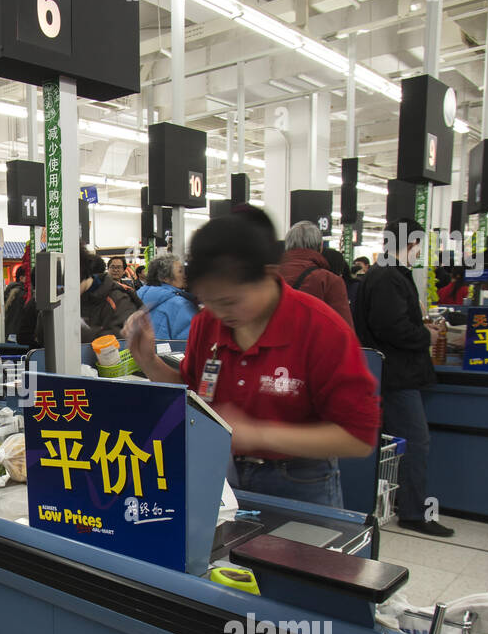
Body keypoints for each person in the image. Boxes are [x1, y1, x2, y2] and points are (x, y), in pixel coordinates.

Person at [124, 216, 379, 508]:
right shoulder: (208, 324)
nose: (219, 312)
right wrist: (148, 359)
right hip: (221, 475)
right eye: (209, 300)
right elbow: (193, 395)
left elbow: (357, 436)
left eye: (230, 301)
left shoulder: (320, 328)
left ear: (268, 274)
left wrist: (259, 434)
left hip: (298, 482)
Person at [353, 218, 453, 536]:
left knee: (384, 444)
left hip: (390, 374)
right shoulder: (387, 277)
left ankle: (383, 505)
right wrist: (424, 334)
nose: (419, 252)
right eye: (419, 246)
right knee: (416, 441)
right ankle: (412, 512)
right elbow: (390, 326)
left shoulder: (386, 274)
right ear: (410, 244)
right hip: (396, 376)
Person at [277, 221, 353, 326]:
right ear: (320, 247)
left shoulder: (266, 277)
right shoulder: (329, 281)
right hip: (313, 341)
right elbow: (344, 330)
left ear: (287, 245)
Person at [80, 248, 143, 341]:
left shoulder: (120, 298)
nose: (116, 270)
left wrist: (78, 332)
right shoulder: (77, 297)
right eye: (113, 267)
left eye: (119, 267)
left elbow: (121, 341)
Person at [137, 252, 198, 340]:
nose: (185, 275)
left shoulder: (138, 297)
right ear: (164, 278)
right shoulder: (181, 305)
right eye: (180, 271)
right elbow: (189, 343)